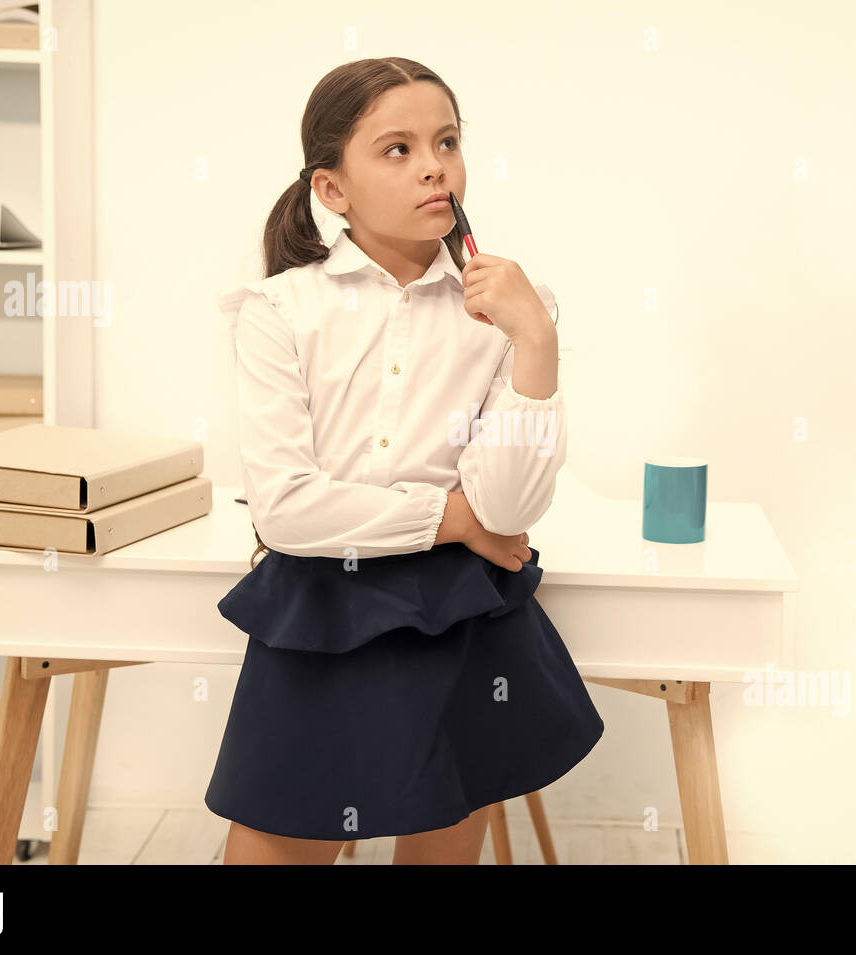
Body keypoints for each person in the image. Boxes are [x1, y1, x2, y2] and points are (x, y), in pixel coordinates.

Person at [204, 56, 603, 865]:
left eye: (447, 141)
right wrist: (453, 518)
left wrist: (536, 343)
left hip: (458, 611)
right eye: (398, 149)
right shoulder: (280, 311)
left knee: (444, 829)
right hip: (317, 604)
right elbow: (285, 507)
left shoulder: (509, 310)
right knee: (276, 834)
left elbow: (510, 510)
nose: (434, 166)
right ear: (331, 189)